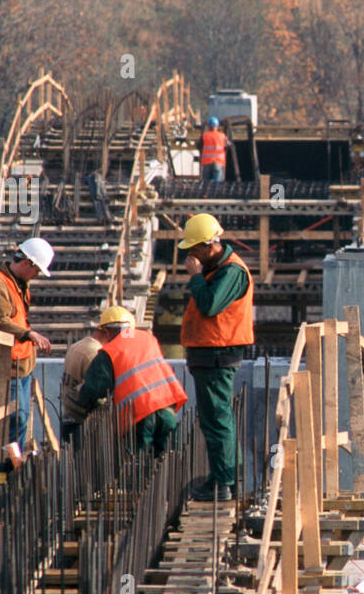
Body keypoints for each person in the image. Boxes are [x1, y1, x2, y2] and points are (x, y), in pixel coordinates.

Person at [178, 213, 254, 501]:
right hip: (210, 354)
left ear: (209, 246)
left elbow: (210, 305)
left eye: (194, 250)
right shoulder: (218, 269)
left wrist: (196, 277)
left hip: (217, 355)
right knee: (214, 419)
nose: (191, 255)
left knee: (218, 419)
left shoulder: (230, 272)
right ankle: (221, 478)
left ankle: (223, 483)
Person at [0, 236, 55, 500]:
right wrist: (28, 334)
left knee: (17, 423)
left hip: (20, 364)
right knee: (15, 418)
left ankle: (4, 475)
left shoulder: (18, 283)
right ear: (28, 263)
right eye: (36, 270)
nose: (37, 276)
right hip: (1, 364)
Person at [72, 306, 188, 454]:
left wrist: (82, 400)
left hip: (141, 415)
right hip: (167, 408)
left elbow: (94, 389)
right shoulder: (148, 338)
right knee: (170, 460)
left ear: (107, 332)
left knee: (141, 467)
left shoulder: (110, 351)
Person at [59, 330, 102, 445]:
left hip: (69, 417)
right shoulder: (95, 353)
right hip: (84, 425)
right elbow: (94, 393)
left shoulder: (77, 346)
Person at [200, 117, 228, 184]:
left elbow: (199, 146)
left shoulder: (204, 136)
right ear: (217, 126)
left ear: (209, 127)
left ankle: (206, 194)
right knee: (216, 185)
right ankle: (216, 194)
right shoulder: (222, 136)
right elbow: (228, 146)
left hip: (206, 162)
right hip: (218, 162)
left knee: (206, 185)